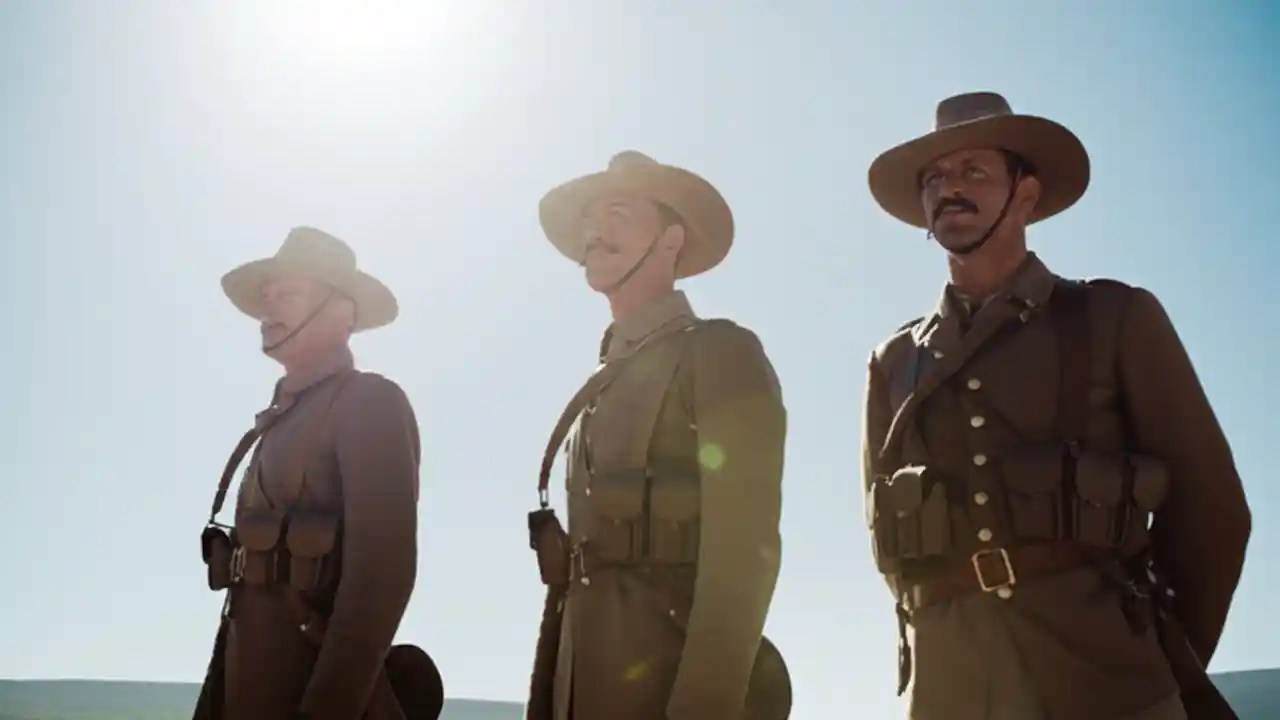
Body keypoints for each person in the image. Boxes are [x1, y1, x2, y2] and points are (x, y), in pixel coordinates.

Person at [860, 91, 1252, 720]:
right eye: (933, 178)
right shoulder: (894, 361)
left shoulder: (1113, 316)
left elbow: (1214, 511)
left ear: (1026, 195)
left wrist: (1156, 662)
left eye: (973, 172)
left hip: (1109, 681)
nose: (947, 189)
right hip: (953, 691)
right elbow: (887, 544)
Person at [525, 151, 791, 720]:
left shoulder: (719, 353)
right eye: (589, 220)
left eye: (617, 212)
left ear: (671, 240)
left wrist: (703, 707)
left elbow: (745, 556)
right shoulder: (600, 384)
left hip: (667, 692)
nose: (595, 232)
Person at [194, 226, 425, 720]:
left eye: (288, 294)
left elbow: (380, 583)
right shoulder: (275, 424)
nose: (268, 308)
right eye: (266, 297)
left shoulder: (369, 402)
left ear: (341, 313)